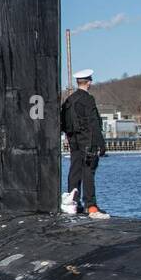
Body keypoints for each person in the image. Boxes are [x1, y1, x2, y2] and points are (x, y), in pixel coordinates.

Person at [61, 70, 109, 219]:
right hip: (88, 141)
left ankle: (73, 203)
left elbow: (63, 122)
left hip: (74, 141)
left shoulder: (69, 100)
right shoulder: (88, 99)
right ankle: (91, 205)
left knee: (75, 170)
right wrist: (101, 144)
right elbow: (93, 122)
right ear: (89, 82)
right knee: (89, 172)